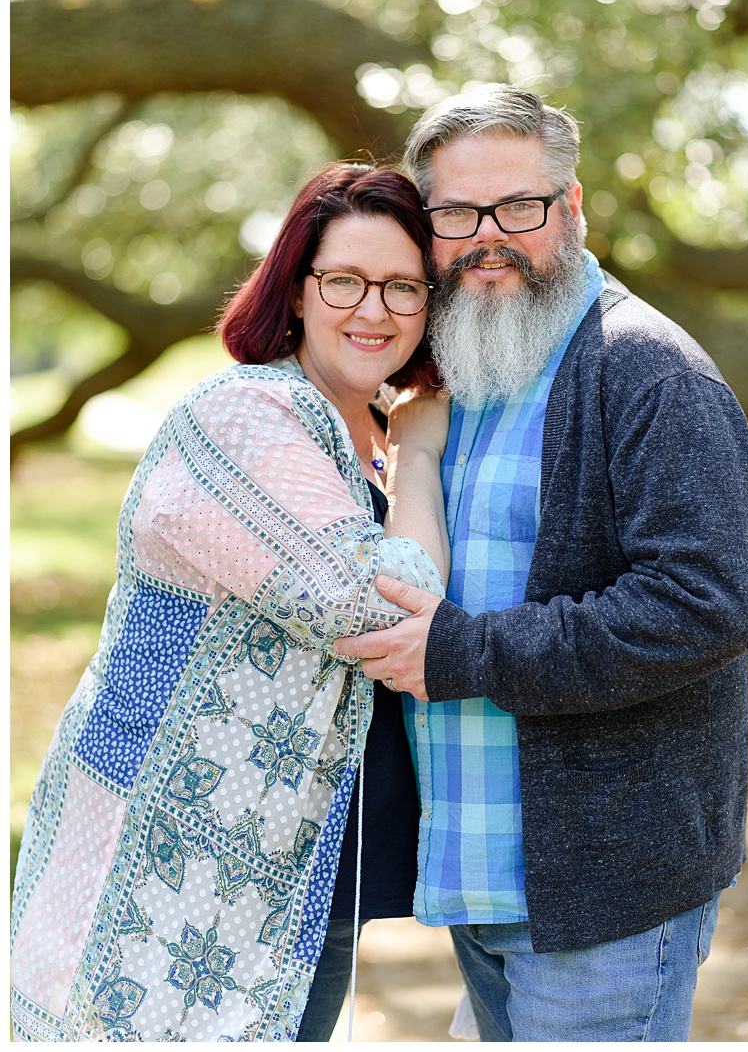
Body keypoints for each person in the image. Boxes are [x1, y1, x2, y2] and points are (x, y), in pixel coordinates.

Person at [333, 85, 748, 1042]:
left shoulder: (648, 368)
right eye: (456, 213)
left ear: (571, 210)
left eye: (518, 207)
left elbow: (706, 603)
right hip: (479, 871)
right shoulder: (463, 368)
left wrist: (467, 653)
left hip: (600, 888)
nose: (489, 236)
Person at [10, 164, 451, 1041]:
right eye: (345, 281)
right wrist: (424, 459)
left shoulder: (358, 433)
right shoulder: (247, 417)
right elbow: (393, 610)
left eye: (404, 285)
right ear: (295, 287)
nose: (376, 309)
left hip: (284, 865)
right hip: (170, 862)